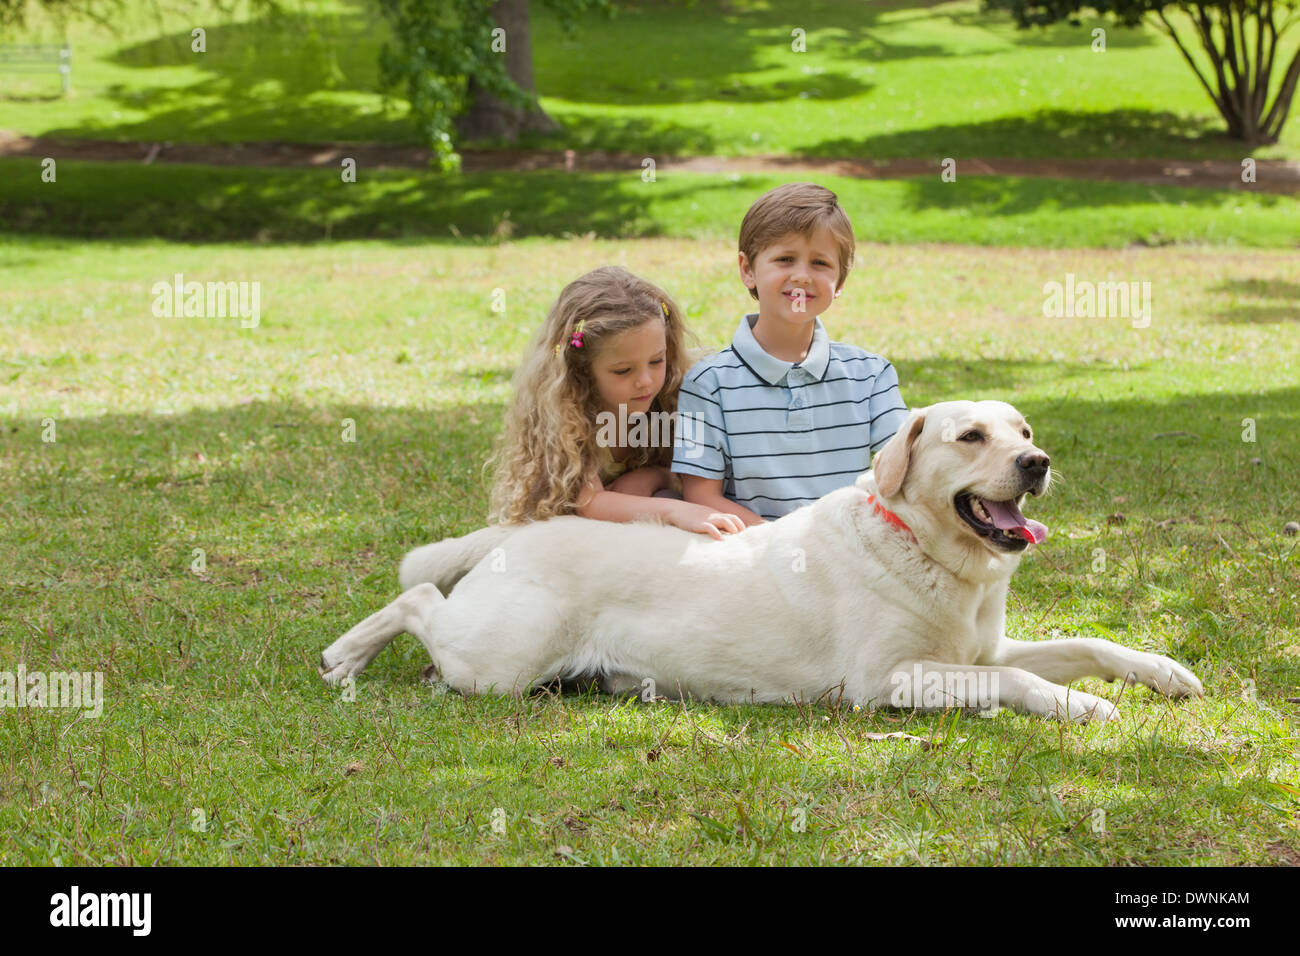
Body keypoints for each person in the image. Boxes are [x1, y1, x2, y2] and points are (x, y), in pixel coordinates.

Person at [672, 182, 909, 522]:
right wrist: (789, 547)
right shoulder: (705, 384)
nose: (802, 276)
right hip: (756, 558)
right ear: (747, 270)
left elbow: (907, 469)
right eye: (785, 259)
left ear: (840, 281)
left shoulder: (872, 375)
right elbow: (700, 496)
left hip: (850, 557)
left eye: (820, 263)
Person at [487, 266, 746, 540]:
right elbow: (588, 503)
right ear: (581, 369)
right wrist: (675, 510)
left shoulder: (681, 390)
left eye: (657, 360)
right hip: (581, 540)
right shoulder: (566, 412)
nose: (645, 381)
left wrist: (655, 476)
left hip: (654, 521)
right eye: (623, 371)